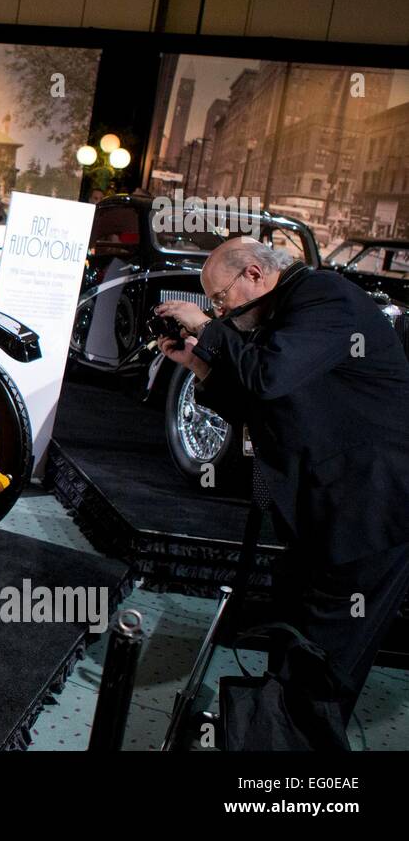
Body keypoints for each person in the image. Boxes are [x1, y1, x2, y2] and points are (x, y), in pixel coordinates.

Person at [156, 237, 409, 749]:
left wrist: (206, 328)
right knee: (297, 646)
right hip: (326, 510)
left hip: (371, 512)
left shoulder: (325, 299)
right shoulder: (288, 311)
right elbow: (260, 400)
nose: (221, 311)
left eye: (221, 299)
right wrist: (199, 363)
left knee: (322, 663)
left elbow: (268, 377)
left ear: (254, 273)